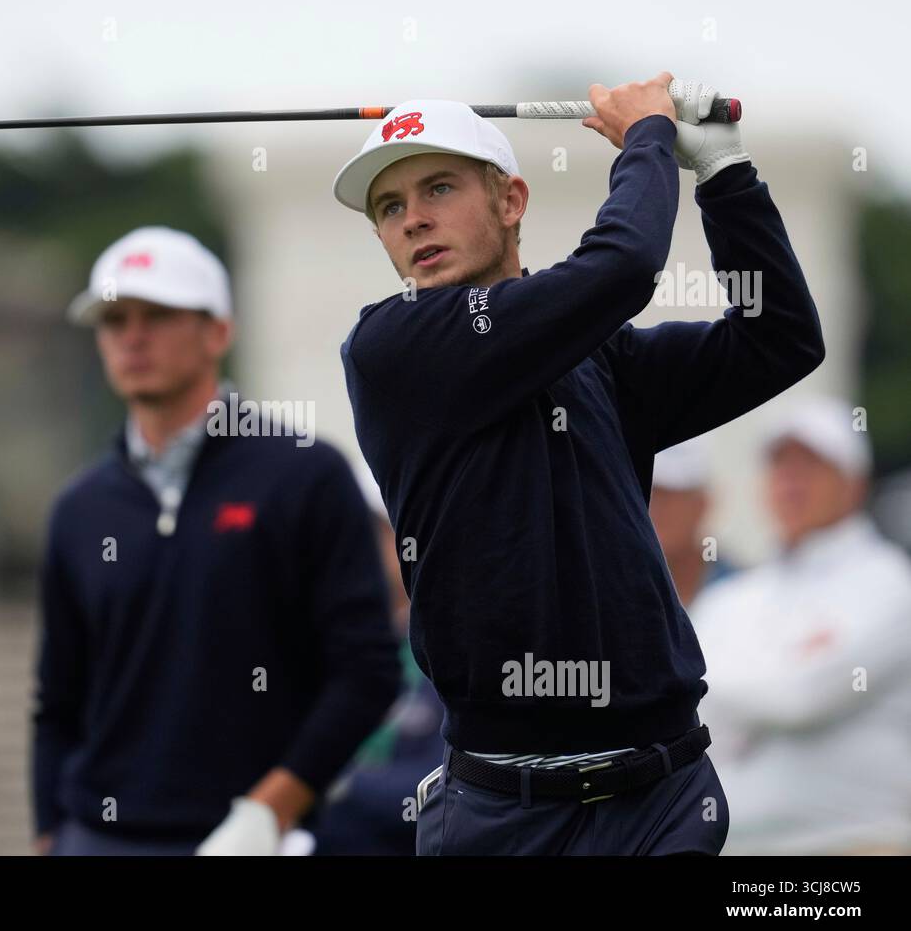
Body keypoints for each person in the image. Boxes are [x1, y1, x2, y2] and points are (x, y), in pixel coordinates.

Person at [333, 74, 825, 855]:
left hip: (662, 799)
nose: (414, 217)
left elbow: (782, 337)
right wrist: (648, 140)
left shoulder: (601, 358)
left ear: (511, 201)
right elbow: (625, 264)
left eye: (438, 187)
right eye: (390, 208)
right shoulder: (391, 348)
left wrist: (728, 175)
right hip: (504, 816)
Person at [31, 226, 400, 856]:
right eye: (114, 318)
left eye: (158, 315)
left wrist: (270, 809)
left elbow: (366, 671)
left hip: (258, 837)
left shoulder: (304, 475)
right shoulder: (79, 507)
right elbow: (58, 701)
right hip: (98, 837)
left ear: (218, 332)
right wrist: (48, 837)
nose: (133, 336)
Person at [691, 397, 911, 854]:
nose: (791, 482)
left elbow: (799, 697)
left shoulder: (891, 584)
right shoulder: (731, 596)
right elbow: (687, 714)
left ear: (852, 484)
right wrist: (773, 676)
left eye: (811, 466)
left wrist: (719, 684)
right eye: (780, 466)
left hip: (853, 845)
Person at [310, 465, 445, 856]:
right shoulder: (329, 639)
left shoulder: (446, 644)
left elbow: (442, 783)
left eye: (372, 533)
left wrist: (327, 784)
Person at [649, 438, 739, 607]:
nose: (656, 510)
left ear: (702, 506)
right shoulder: (621, 583)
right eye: (650, 495)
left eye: (669, 496)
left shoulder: (740, 589)